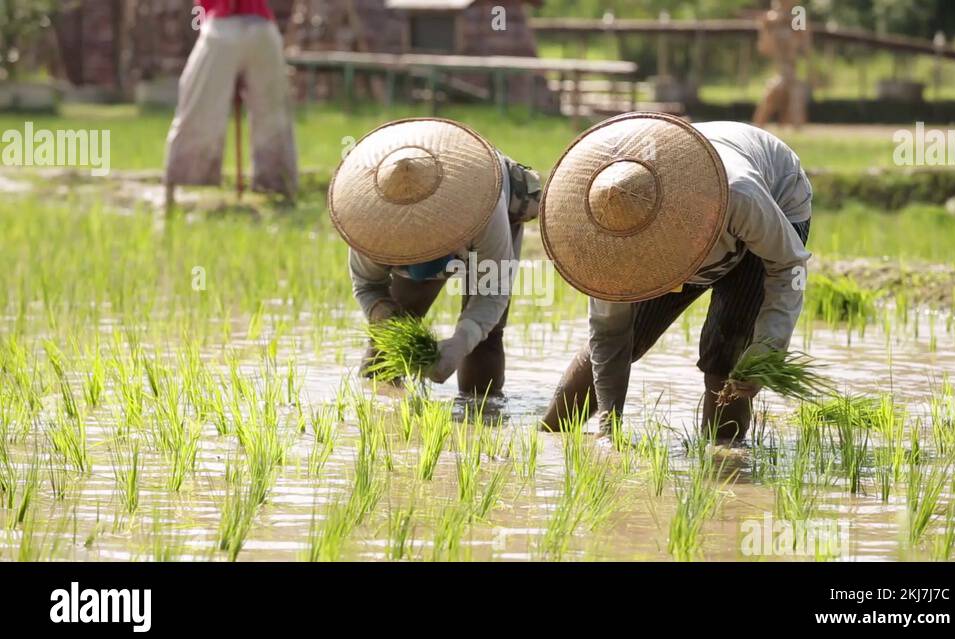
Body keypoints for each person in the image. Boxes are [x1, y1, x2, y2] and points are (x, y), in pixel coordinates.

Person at [539, 113, 812, 443]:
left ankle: (724, 459)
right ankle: (549, 435)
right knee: (629, 338)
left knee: (728, 353)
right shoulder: (609, 236)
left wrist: (767, 348)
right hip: (698, 212)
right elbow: (609, 335)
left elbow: (790, 266)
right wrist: (609, 432)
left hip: (775, 201)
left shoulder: (739, 195)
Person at [328, 118, 541, 394]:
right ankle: (379, 408)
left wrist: (462, 341)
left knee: (486, 337)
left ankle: (481, 415)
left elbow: (492, 292)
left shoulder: (483, 206)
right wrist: (382, 312)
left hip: (485, 209)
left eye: (431, 247)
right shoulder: (368, 224)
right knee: (391, 333)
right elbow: (368, 285)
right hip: (418, 221)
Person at [164, 0, 298, 206]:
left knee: (200, 110)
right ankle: (279, 187)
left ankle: (188, 184)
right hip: (260, 27)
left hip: (222, 27)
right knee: (273, 115)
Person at [752, 0, 811, 128]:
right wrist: (765, 28)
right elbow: (765, 49)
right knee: (769, 100)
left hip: (793, 72)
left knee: (795, 102)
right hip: (779, 71)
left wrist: (788, 22)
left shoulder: (797, 16)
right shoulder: (770, 20)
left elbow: (803, 47)